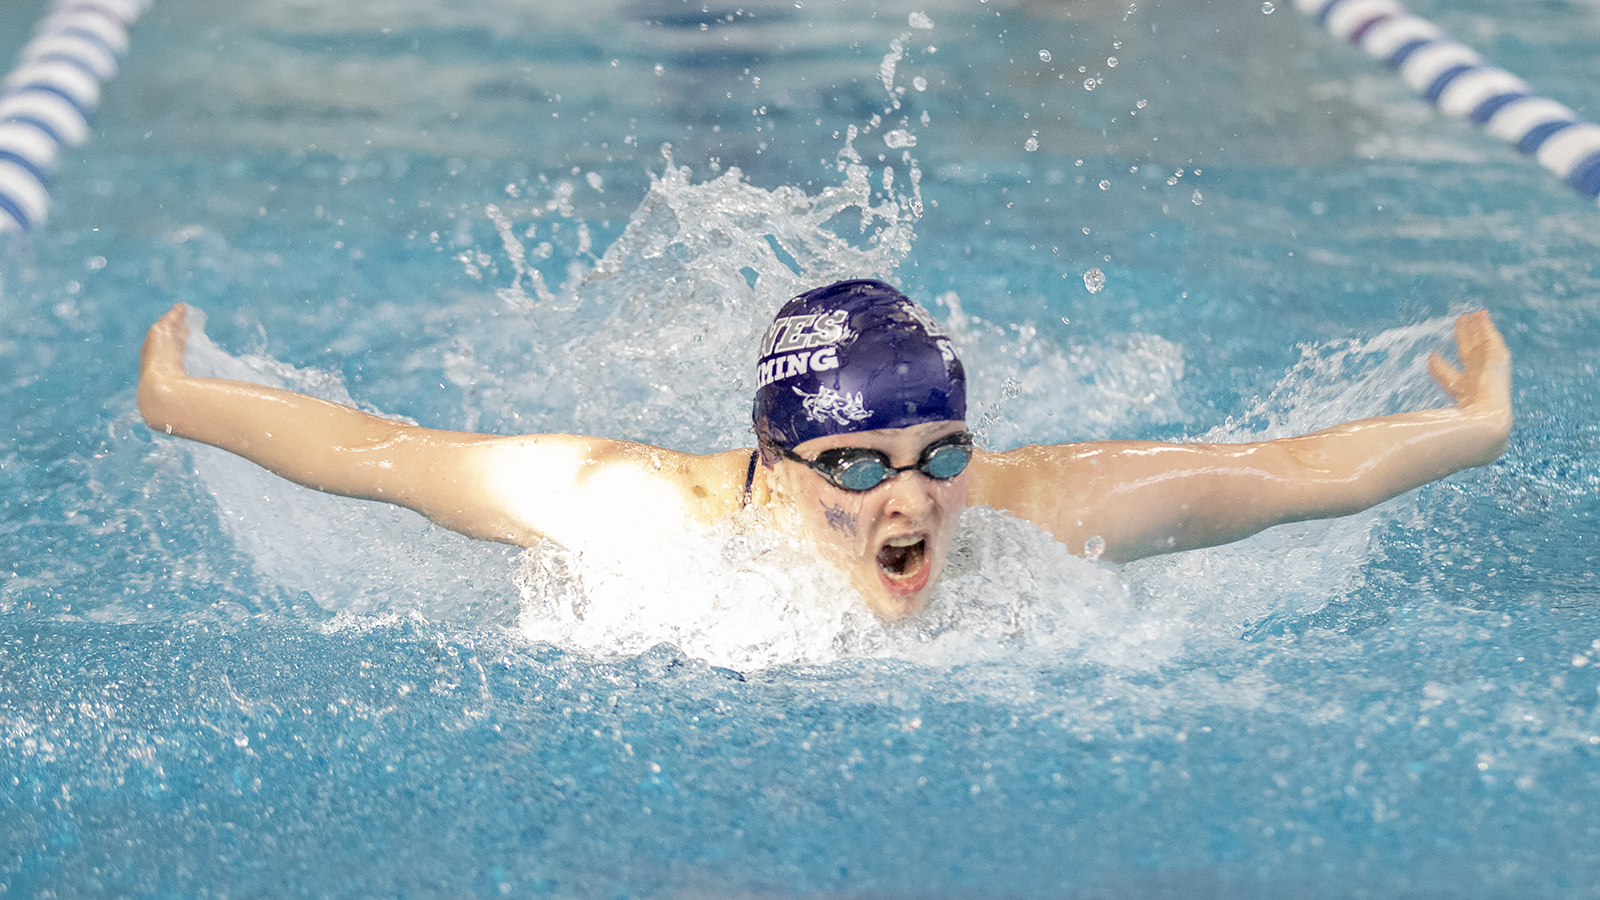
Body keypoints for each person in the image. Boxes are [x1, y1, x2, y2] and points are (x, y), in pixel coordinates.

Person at [137, 279, 1512, 621]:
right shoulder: (643, 512)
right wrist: (185, 402)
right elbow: (381, 455)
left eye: (941, 452)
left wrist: (1472, 425)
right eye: (858, 465)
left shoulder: (1042, 508)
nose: (911, 494)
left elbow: (1289, 473)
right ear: (780, 465)